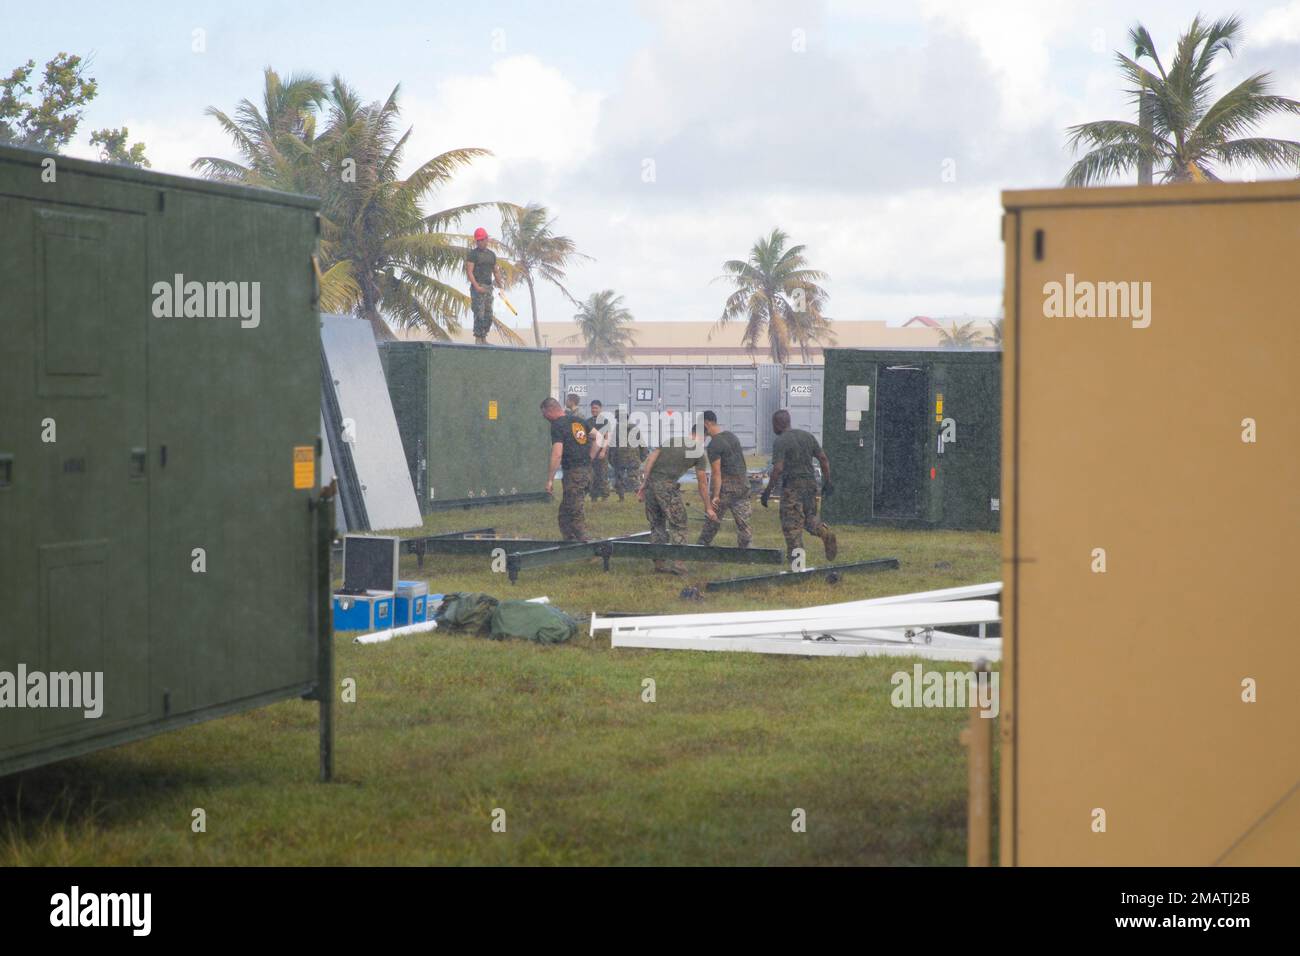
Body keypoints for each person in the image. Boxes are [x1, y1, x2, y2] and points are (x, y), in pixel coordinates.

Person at [760, 409, 837, 563]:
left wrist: (767, 491)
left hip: (792, 488)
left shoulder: (781, 441)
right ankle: (824, 533)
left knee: (792, 528)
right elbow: (823, 459)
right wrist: (827, 481)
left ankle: (797, 566)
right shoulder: (807, 436)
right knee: (810, 519)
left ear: (777, 424)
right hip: (810, 485)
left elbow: (778, 468)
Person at [638, 426, 713, 575]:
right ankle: (679, 564)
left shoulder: (671, 441)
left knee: (657, 524)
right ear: (703, 437)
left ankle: (659, 563)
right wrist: (708, 507)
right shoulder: (698, 452)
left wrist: (644, 485)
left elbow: (651, 459)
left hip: (652, 486)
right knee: (679, 523)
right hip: (667, 487)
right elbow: (702, 483)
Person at [696, 410, 753, 549]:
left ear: (706, 423)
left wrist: (715, 496)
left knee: (712, 519)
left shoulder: (714, 445)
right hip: (743, 485)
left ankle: (701, 547)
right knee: (743, 523)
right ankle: (746, 552)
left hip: (726, 488)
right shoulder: (732, 436)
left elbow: (716, 473)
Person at [540, 396, 595, 541]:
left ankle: (588, 545)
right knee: (565, 512)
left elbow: (557, 454)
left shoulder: (557, 425)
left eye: (544, 414)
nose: (544, 417)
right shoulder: (578, 421)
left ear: (549, 410)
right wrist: (590, 457)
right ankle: (568, 541)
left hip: (574, 472)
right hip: (587, 471)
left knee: (575, 511)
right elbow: (598, 437)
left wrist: (550, 480)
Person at [465, 227, 504, 345]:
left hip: (488, 287)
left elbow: (496, 271)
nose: (480, 242)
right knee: (479, 313)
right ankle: (478, 338)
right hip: (478, 287)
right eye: (478, 240)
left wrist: (500, 287)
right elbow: (469, 272)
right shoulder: (473, 254)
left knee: (488, 315)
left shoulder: (492, 255)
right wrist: (476, 287)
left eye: (482, 240)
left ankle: (484, 337)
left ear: (487, 239)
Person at [586, 399, 613, 501]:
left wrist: (603, 451)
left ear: (600, 409)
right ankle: (594, 496)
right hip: (591, 452)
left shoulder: (605, 421)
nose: (594, 410)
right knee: (592, 475)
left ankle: (605, 496)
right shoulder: (587, 421)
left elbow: (607, 437)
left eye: (596, 408)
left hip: (601, 451)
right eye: (592, 408)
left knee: (602, 474)